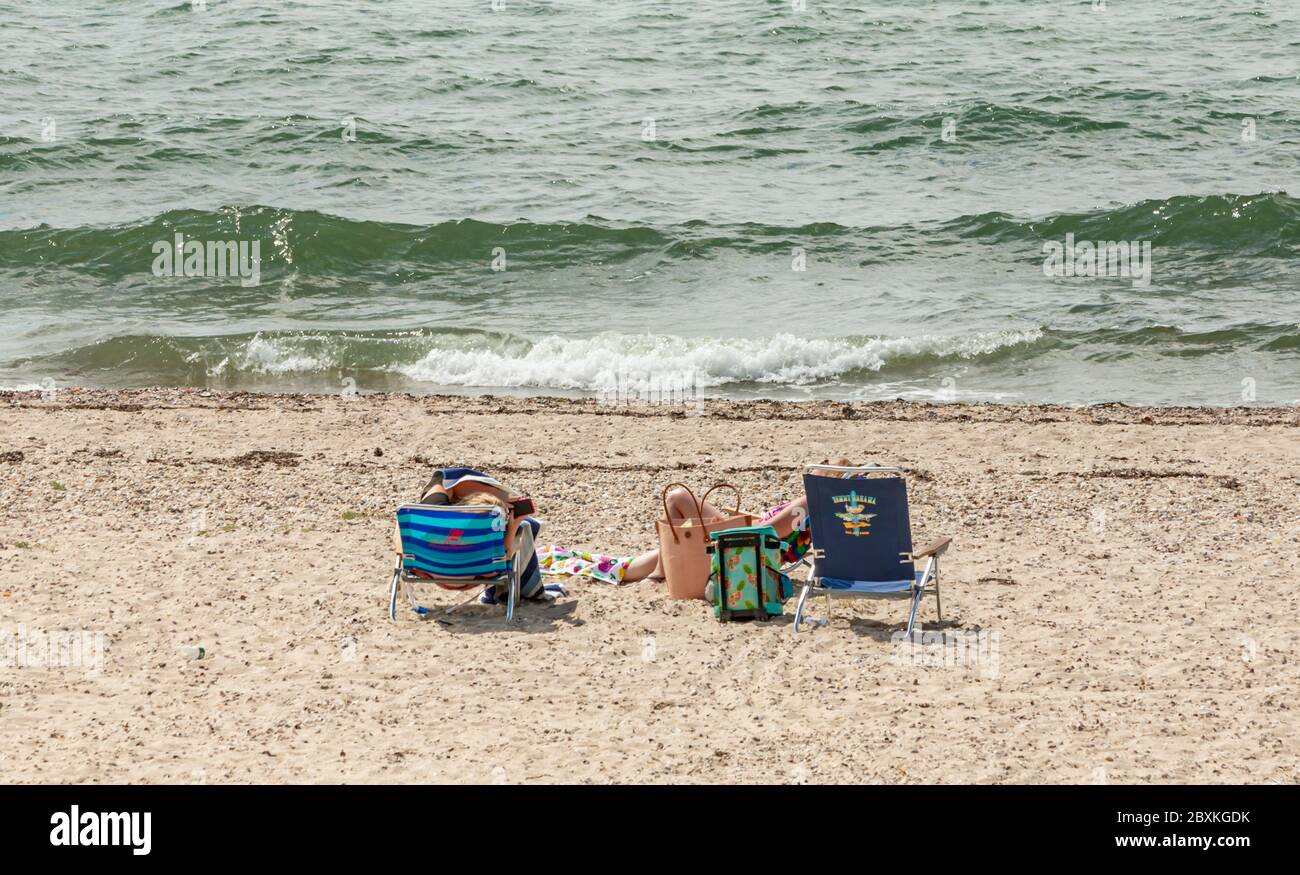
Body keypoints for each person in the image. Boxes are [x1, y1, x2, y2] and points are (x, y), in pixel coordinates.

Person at [620, 458, 855, 582]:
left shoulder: (808, 502)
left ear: (824, 474)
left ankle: (660, 574)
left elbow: (768, 531)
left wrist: (733, 522)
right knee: (671, 549)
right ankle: (616, 570)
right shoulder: (824, 509)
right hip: (748, 545)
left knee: (677, 497)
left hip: (743, 545)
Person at [397, 466, 548, 601]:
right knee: (500, 550)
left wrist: (402, 553)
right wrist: (513, 526)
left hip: (430, 573)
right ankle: (499, 498)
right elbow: (506, 557)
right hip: (472, 577)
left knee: (442, 481)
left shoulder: (431, 538)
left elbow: (440, 485)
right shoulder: (489, 548)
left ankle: (485, 495)